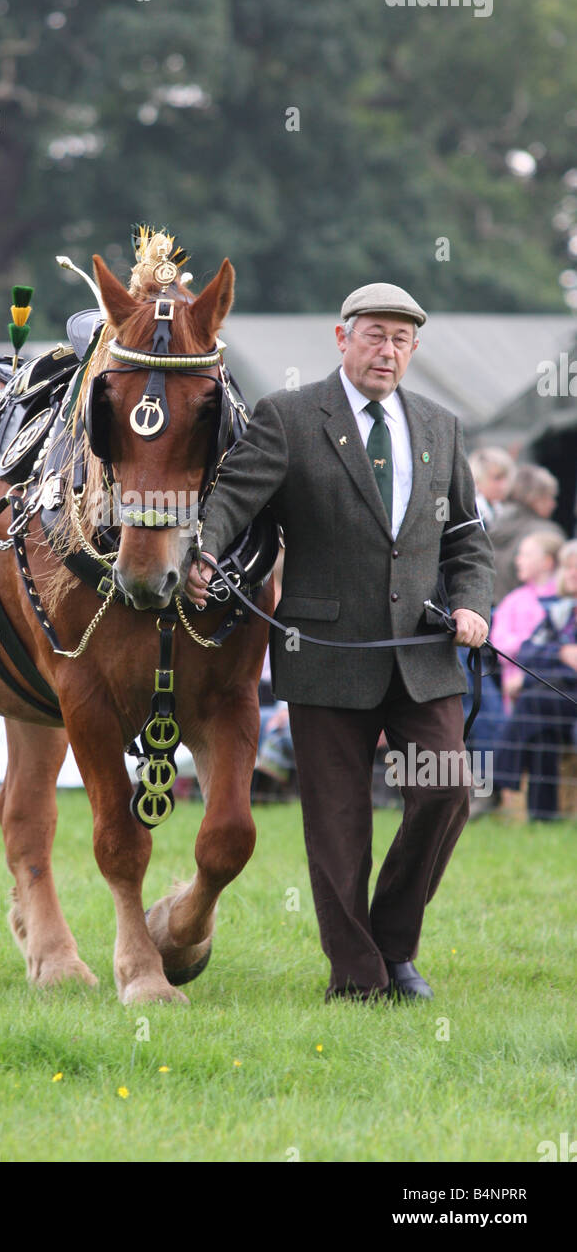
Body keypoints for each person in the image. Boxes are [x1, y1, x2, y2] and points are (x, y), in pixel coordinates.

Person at [186, 282, 494, 1003]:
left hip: (424, 653)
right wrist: (202, 551)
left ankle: (393, 946)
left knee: (445, 788)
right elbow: (233, 499)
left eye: (401, 340)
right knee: (338, 824)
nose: (387, 351)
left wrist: (474, 606)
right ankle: (357, 978)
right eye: (375, 335)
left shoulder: (442, 427)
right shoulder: (288, 417)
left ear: (413, 350)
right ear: (342, 337)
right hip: (322, 652)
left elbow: (468, 544)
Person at [494, 540, 577, 822]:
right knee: (541, 727)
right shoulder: (561, 614)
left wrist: (553, 661)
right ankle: (543, 817)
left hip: (563, 697)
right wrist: (561, 652)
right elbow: (528, 653)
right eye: (568, 567)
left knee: (533, 702)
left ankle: (499, 778)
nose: (571, 573)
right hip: (558, 699)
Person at [490, 529, 563, 707]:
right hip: (516, 696)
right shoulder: (513, 600)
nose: (518, 560)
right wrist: (532, 644)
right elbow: (499, 644)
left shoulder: (565, 599)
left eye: (526, 555)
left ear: (547, 562)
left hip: (558, 693)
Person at [489, 464, 565, 606]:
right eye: (549, 497)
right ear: (535, 497)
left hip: (490, 614)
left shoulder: (494, 524)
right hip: (532, 615)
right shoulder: (546, 533)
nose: (553, 504)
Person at [468, 447, 515, 529]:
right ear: (477, 480)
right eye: (497, 478)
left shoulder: (499, 508)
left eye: (505, 478)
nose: (503, 485)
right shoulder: (471, 514)